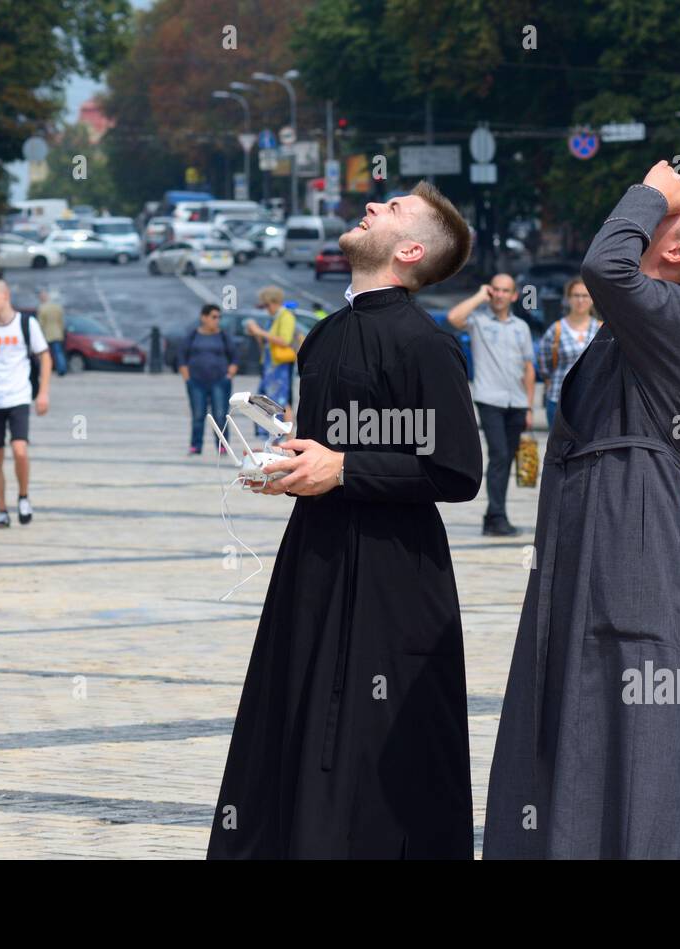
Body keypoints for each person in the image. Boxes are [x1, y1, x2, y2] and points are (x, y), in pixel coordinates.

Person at [207, 181, 483, 859]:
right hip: (317, 557)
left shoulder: (425, 341)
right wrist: (293, 462)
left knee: (372, 736)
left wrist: (345, 469)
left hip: (394, 576)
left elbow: (458, 470)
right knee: (295, 716)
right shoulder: (325, 337)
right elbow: (334, 442)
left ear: (410, 249)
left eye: (390, 210)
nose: (372, 208)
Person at [484, 161, 680, 859]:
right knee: (570, 696)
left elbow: (604, 264)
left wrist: (658, 188)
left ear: (677, 249)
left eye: (661, 221)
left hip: (631, 528)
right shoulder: (642, 322)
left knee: (634, 708)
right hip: (593, 517)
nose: (646, 220)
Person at [446, 273, 536, 536]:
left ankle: (494, 516)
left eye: (505, 291)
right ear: (490, 292)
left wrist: (529, 406)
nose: (499, 295)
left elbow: (528, 368)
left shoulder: (521, 327)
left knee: (506, 460)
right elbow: (454, 318)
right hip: (490, 399)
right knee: (498, 456)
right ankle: (497, 516)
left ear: (514, 296)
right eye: (495, 290)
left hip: (517, 402)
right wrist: (478, 296)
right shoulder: (479, 321)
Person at [0, 274, 51, 527]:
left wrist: (43, 393)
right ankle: (2, 511)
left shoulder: (26, 324)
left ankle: (24, 496)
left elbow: (45, 357)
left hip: (18, 397)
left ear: (6, 296)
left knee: (19, 450)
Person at [535, 277, 601, 428]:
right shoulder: (556, 330)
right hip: (559, 399)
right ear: (568, 299)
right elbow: (544, 365)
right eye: (576, 295)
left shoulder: (601, 330)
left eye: (585, 296)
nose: (580, 300)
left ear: (592, 299)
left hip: (593, 401)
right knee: (560, 449)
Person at [180, 303, 238, 455]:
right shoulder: (192, 336)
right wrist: (187, 379)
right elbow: (182, 358)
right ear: (203, 317)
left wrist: (229, 375)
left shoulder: (223, 336)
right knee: (198, 415)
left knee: (220, 415)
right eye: (213, 317)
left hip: (219, 381)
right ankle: (195, 445)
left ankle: (223, 445)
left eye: (219, 317)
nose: (217, 320)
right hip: (196, 382)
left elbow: (234, 358)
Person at [243, 286, 297, 439]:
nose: (266, 309)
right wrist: (256, 334)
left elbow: (284, 341)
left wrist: (260, 331)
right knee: (273, 401)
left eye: (267, 305)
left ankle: (286, 437)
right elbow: (266, 344)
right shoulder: (275, 317)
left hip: (279, 367)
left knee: (280, 402)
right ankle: (280, 438)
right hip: (270, 367)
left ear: (274, 302)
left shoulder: (285, 316)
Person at [37, 289, 67, 377]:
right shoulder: (57, 307)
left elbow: (40, 323)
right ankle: (61, 370)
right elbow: (61, 321)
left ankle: (46, 370)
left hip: (47, 334)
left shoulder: (42, 308)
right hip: (57, 333)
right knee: (58, 353)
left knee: (46, 354)